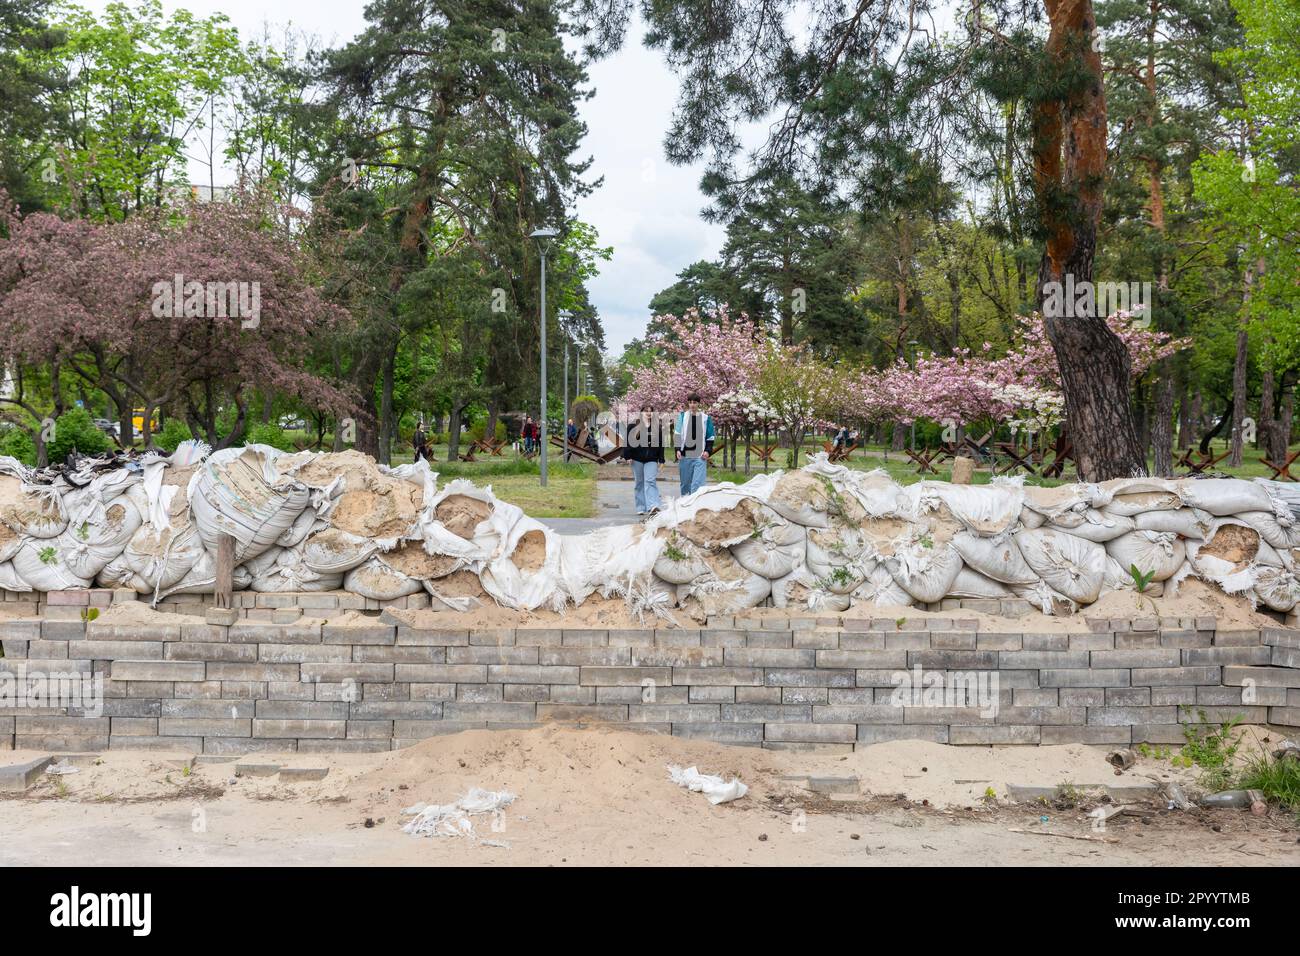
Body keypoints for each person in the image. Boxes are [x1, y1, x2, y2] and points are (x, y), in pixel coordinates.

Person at [623, 406, 665, 515]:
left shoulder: (657, 427)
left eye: (651, 411)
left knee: (650, 481)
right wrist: (627, 456)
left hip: (651, 459)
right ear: (641, 413)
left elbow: (661, 445)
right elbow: (627, 442)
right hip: (636, 459)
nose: (649, 413)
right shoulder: (633, 426)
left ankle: (653, 506)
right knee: (639, 483)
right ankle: (641, 507)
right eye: (646, 411)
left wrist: (661, 460)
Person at [675, 393, 715, 496]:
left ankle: (695, 508)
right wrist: (678, 449)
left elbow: (710, 437)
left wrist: (707, 451)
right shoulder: (683, 416)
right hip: (685, 455)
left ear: (698, 404)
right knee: (685, 485)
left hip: (700, 455)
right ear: (688, 403)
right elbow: (678, 433)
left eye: (695, 402)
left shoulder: (706, 418)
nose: (692, 405)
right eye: (690, 402)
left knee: (698, 484)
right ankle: (685, 506)